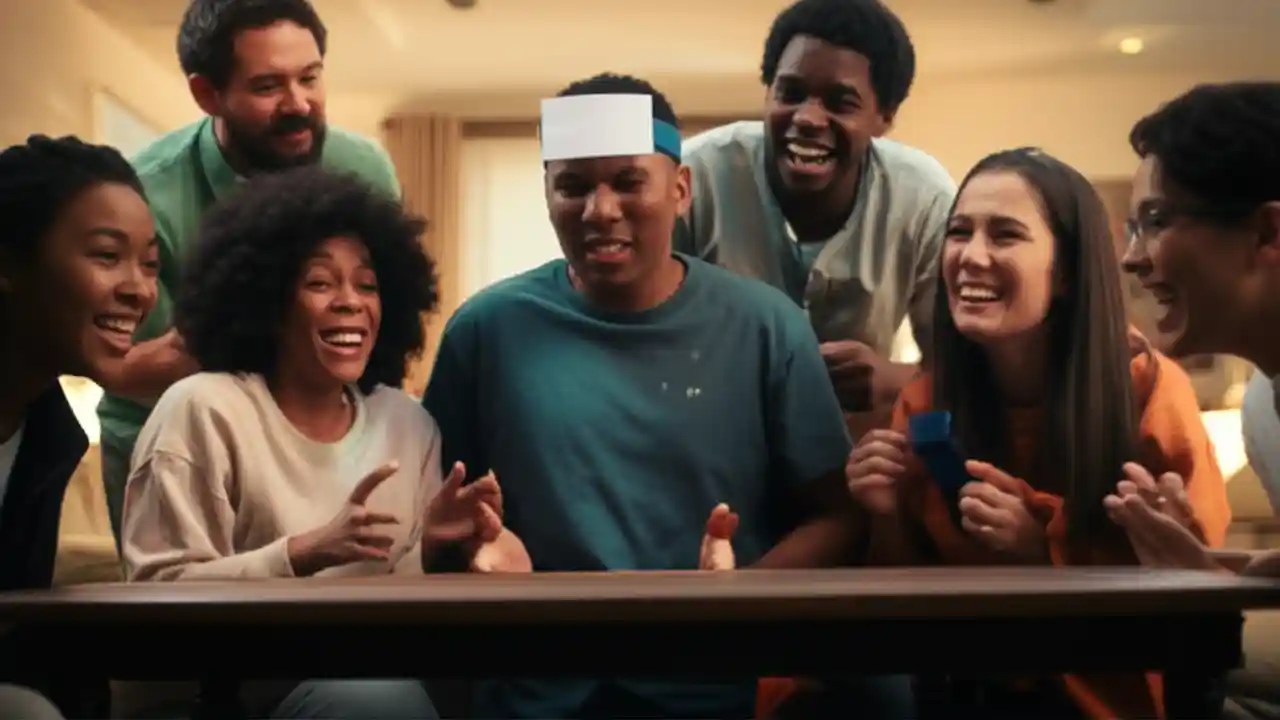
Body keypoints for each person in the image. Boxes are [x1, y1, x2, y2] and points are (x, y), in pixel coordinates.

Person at [422, 73, 857, 719]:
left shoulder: (767, 327)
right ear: (547, 193)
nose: (600, 209)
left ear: (680, 189)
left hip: (721, 690)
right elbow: (444, 522)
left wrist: (734, 596)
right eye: (573, 185)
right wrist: (462, 551)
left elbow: (839, 517)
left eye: (628, 182)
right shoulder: (486, 331)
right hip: (537, 696)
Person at [121, 167, 524, 719]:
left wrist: (434, 550)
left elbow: (400, 610)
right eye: (319, 283)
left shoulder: (407, 424)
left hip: (376, 685)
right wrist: (299, 555)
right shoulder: (203, 409)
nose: (350, 302)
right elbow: (156, 592)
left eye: (367, 285)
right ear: (267, 300)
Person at [846, 147, 1231, 718]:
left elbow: (1197, 576)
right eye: (959, 232)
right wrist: (883, 513)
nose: (971, 256)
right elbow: (907, 603)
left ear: (1068, 271)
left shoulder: (1148, 389)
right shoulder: (924, 402)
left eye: (1004, 235)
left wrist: (1044, 546)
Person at [96, 0, 401, 546]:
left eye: (310, 77)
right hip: (166, 435)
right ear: (207, 94)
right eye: (267, 86)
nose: (299, 103)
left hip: (321, 432)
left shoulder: (365, 169)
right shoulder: (144, 195)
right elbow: (128, 367)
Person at [675, 0, 955, 433]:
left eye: (841, 103)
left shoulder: (923, 198)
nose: (807, 118)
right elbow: (639, 331)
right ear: (767, 92)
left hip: (855, 452)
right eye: (789, 94)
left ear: (884, 117)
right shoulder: (695, 176)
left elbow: (964, 369)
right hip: (706, 438)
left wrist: (894, 380)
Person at [1103, 81, 1280, 720]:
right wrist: (1210, 575)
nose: (1131, 259)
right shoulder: (1263, 408)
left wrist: (1210, 599)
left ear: (1267, 232)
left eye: (1156, 222)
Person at [0, 134, 159, 717]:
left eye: (150, 265)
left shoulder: (51, 434)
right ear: (8, 264)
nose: (139, 290)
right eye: (106, 256)